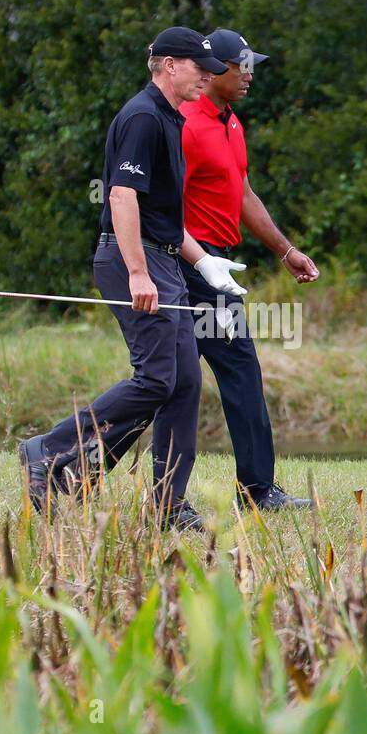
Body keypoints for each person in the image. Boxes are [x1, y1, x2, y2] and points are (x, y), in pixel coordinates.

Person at [18, 27, 249, 531]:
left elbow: (162, 213)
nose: (207, 78)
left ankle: (166, 504)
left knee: (184, 382)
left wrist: (203, 260)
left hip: (163, 256)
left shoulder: (168, 117)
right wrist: (139, 273)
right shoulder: (144, 117)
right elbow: (122, 197)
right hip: (133, 260)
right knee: (157, 379)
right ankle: (50, 450)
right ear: (169, 65)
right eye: (199, 69)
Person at [97, 28, 320, 511]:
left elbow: (240, 191)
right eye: (237, 65)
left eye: (249, 64)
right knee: (212, 370)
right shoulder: (184, 122)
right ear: (210, 70)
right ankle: (256, 490)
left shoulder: (229, 123)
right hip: (184, 263)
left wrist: (285, 251)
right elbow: (154, 203)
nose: (247, 73)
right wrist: (167, 263)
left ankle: (93, 470)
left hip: (208, 262)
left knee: (171, 380)